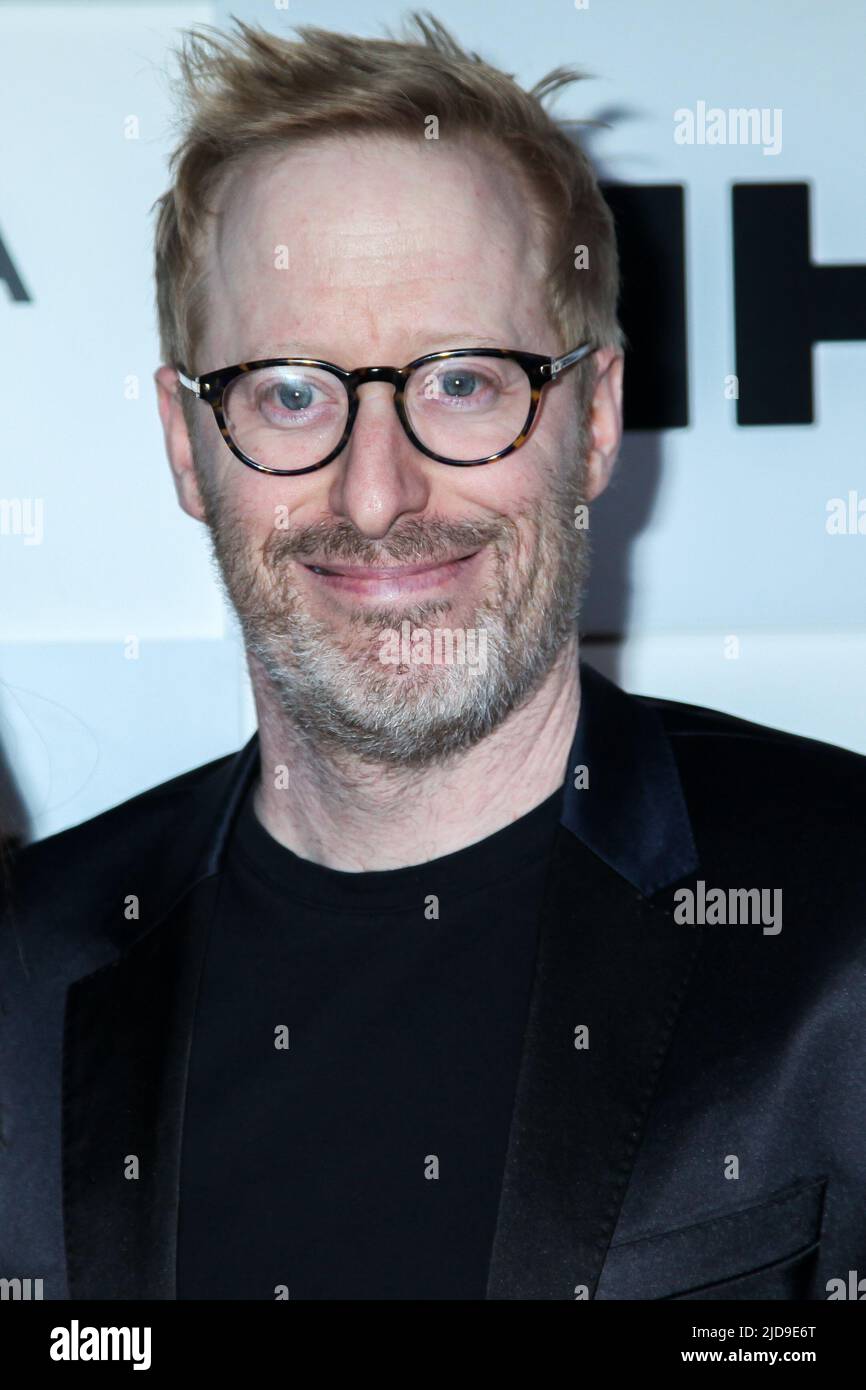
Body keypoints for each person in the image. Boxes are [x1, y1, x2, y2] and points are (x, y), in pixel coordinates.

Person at [2, 11, 864, 1302]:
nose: (376, 492)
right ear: (190, 448)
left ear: (592, 422)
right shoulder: (27, 970)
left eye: (463, 380)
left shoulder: (841, 915)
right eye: (290, 392)